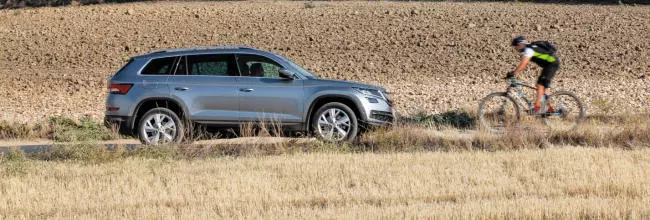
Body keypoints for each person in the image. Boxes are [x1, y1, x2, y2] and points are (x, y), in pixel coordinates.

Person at [507, 36, 560, 114]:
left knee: (540, 85)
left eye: (516, 47)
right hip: (549, 64)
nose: (516, 49)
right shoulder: (530, 48)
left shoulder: (529, 50)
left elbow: (524, 64)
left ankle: (537, 108)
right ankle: (549, 109)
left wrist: (513, 72)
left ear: (520, 44)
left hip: (552, 63)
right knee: (540, 88)